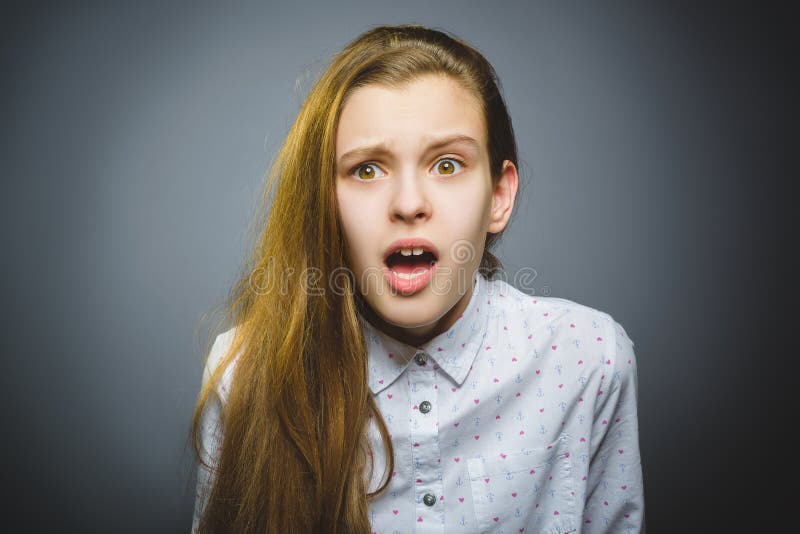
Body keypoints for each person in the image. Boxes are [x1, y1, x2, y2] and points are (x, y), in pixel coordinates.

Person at [190, 24, 644, 533]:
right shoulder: (245, 370)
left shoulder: (589, 358)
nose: (408, 204)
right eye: (367, 170)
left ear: (498, 196)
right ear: (326, 199)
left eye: (447, 164)